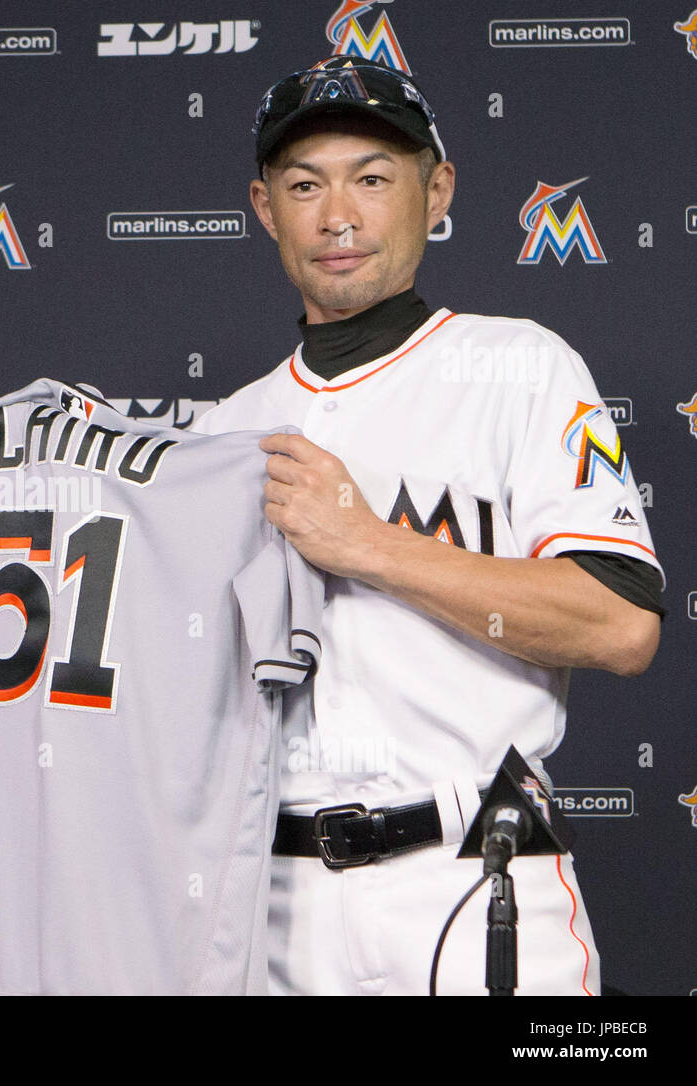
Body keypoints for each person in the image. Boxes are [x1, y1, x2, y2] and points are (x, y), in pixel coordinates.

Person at [193, 57, 663, 995]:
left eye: (372, 178)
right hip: (271, 905)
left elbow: (620, 625)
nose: (338, 216)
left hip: (474, 878)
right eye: (304, 185)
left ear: (436, 189)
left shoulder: (521, 367)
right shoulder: (221, 431)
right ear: (263, 206)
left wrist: (368, 544)